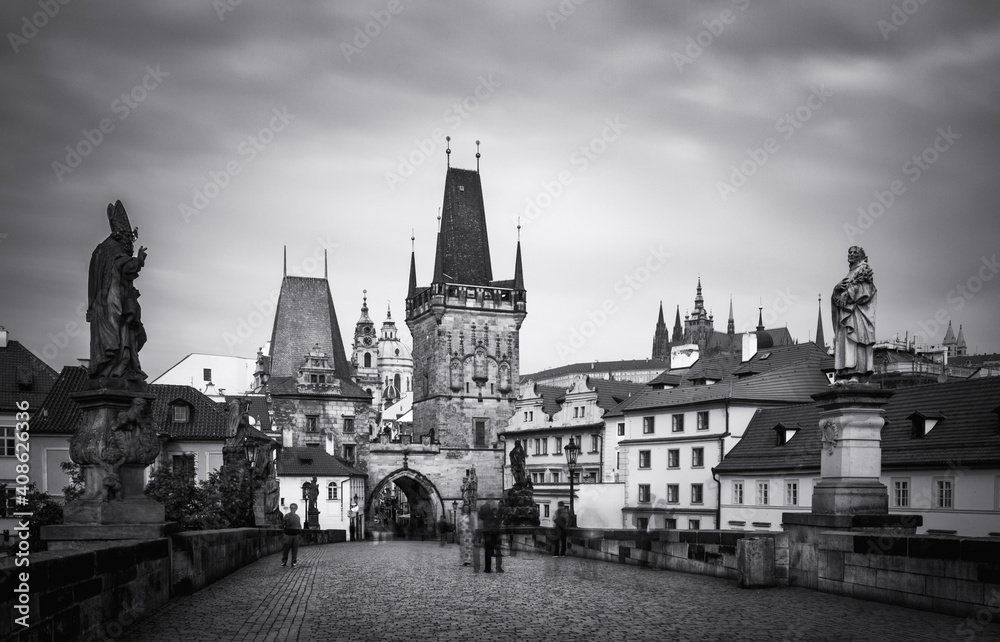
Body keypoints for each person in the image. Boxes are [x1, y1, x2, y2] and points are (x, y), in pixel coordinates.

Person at [87, 200, 148, 383]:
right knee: (121, 334)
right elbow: (125, 267)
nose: (131, 242)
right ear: (121, 236)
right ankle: (118, 366)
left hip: (100, 303)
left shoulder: (100, 250)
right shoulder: (113, 249)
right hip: (112, 302)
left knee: (116, 336)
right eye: (129, 238)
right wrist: (139, 260)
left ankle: (109, 368)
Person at [831, 246, 877, 382]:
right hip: (846, 314)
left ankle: (857, 373)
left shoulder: (863, 270)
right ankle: (845, 373)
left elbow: (866, 291)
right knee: (846, 344)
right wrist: (836, 290)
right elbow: (839, 296)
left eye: (855, 253)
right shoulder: (850, 273)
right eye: (849, 252)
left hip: (857, 315)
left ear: (861, 256)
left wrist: (848, 294)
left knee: (856, 342)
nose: (851, 254)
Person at [478, 500, 502, 573]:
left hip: (491, 531)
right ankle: (494, 568)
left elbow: (481, 517)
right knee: (493, 550)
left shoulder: (485, 507)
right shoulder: (486, 507)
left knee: (492, 550)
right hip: (491, 531)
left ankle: (490, 568)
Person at [281, 503, 302, 567]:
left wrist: (299, 534)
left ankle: (293, 562)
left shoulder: (297, 517)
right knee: (286, 549)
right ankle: (284, 561)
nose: (293, 509)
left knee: (295, 550)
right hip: (288, 535)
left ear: (296, 509)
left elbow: (299, 526)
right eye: (291, 508)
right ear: (290, 508)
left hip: (295, 535)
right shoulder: (287, 516)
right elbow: (283, 524)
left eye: (294, 508)